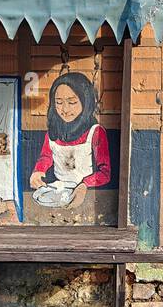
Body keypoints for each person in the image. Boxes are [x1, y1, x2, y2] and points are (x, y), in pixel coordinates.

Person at [29, 73, 109, 208]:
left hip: (87, 192)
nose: (65, 110)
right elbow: (46, 157)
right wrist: (38, 172)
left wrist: (84, 185)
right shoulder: (52, 132)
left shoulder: (95, 132)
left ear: (86, 102)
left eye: (72, 102)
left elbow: (105, 172)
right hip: (58, 190)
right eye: (59, 103)